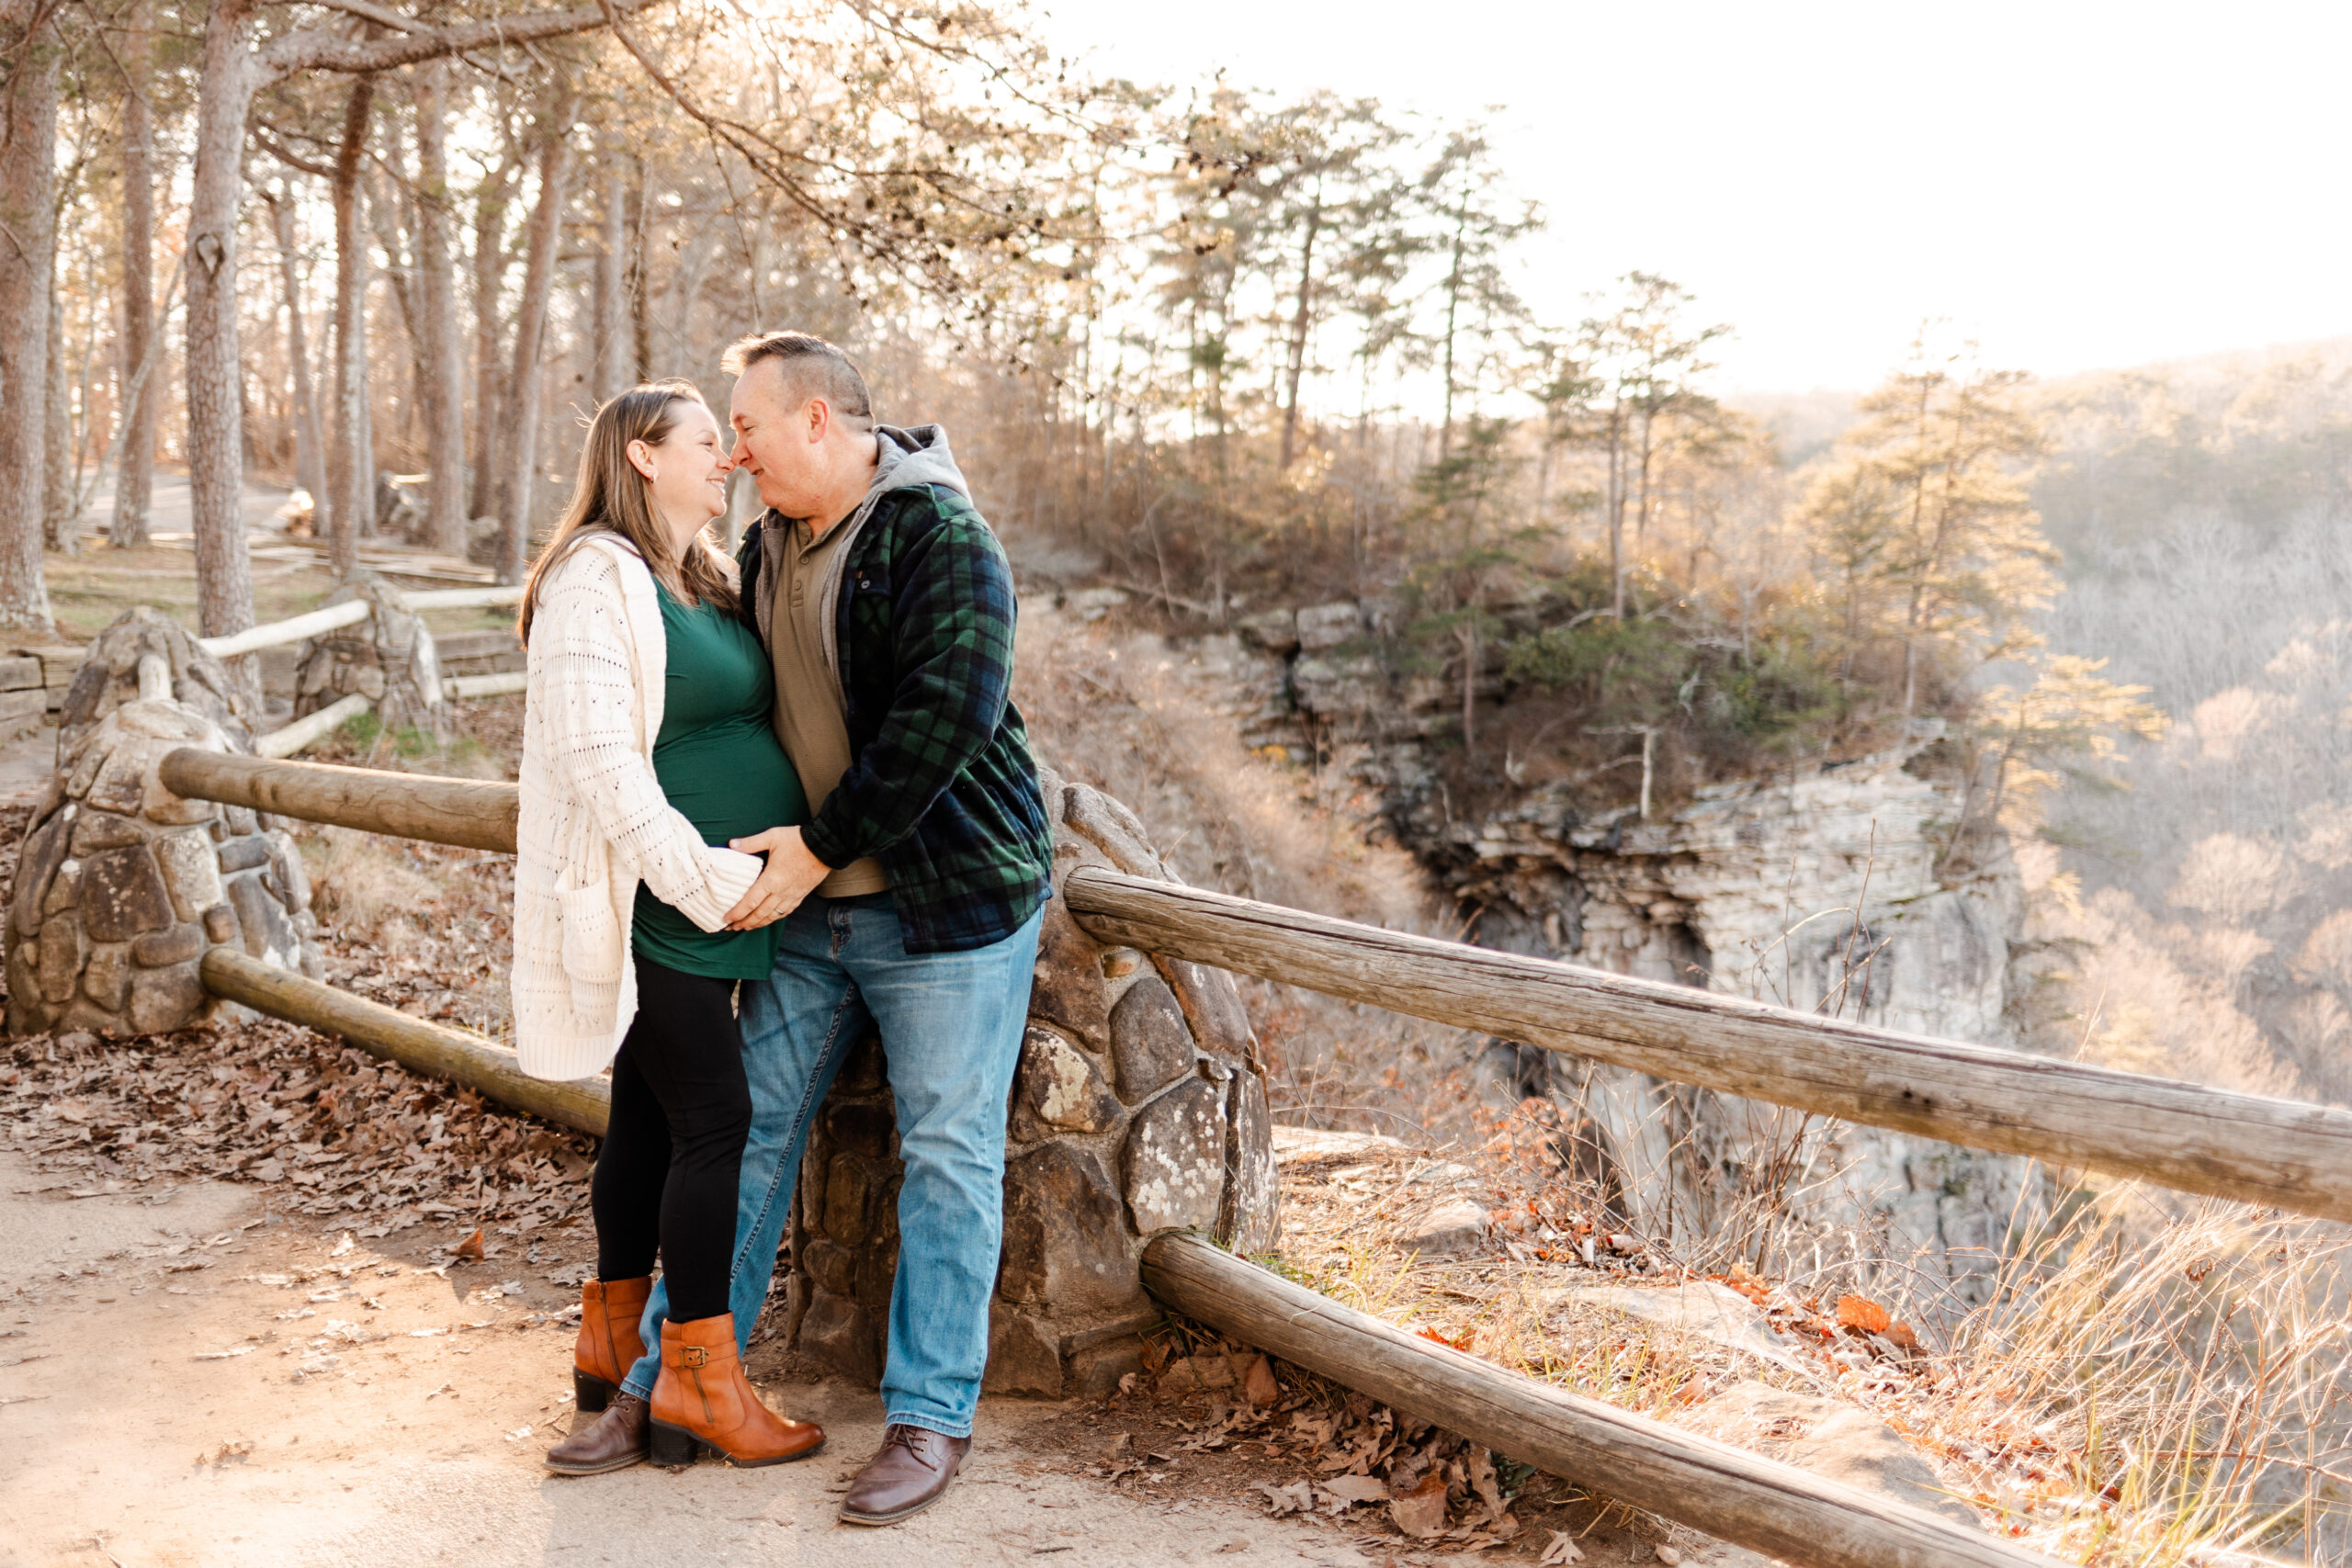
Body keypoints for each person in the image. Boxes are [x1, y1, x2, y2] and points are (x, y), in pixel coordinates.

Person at [579, 330, 1054, 1525]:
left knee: (948, 1155)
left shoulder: (943, 537)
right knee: (741, 1132)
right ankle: (669, 1374)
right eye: (724, 433)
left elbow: (944, 722)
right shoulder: (768, 538)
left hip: (949, 911)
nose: (732, 452)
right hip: (804, 910)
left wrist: (821, 844)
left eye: (746, 426)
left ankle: (929, 1417)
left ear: (820, 424)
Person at [510, 381, 826, 1477]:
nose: (725, 458)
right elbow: (599, 763)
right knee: (715, 1123)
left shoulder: (697, 573)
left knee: (646, 1120)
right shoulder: (593, 580)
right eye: (706, 441)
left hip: (708, 899)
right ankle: (701, 1384)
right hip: (661, 900)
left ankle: (611, 1364)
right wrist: (703, 878)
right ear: (641, 458)